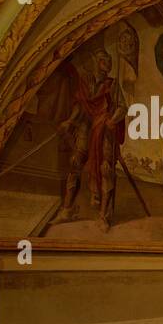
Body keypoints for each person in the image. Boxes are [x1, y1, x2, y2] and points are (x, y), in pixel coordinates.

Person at [51, 45, 127, 228]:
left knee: (106, 168)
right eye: (102, 61)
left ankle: (104, 217)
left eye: (108, 61)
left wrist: (113, 119)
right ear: (96, 64)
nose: (106, 64)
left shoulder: (112, 85)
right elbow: (80, 105)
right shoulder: (86, 83)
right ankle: (67, 210)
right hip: (86, 127)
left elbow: (122, 108)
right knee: (75, 163)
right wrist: (70, 121)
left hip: (104, 131)